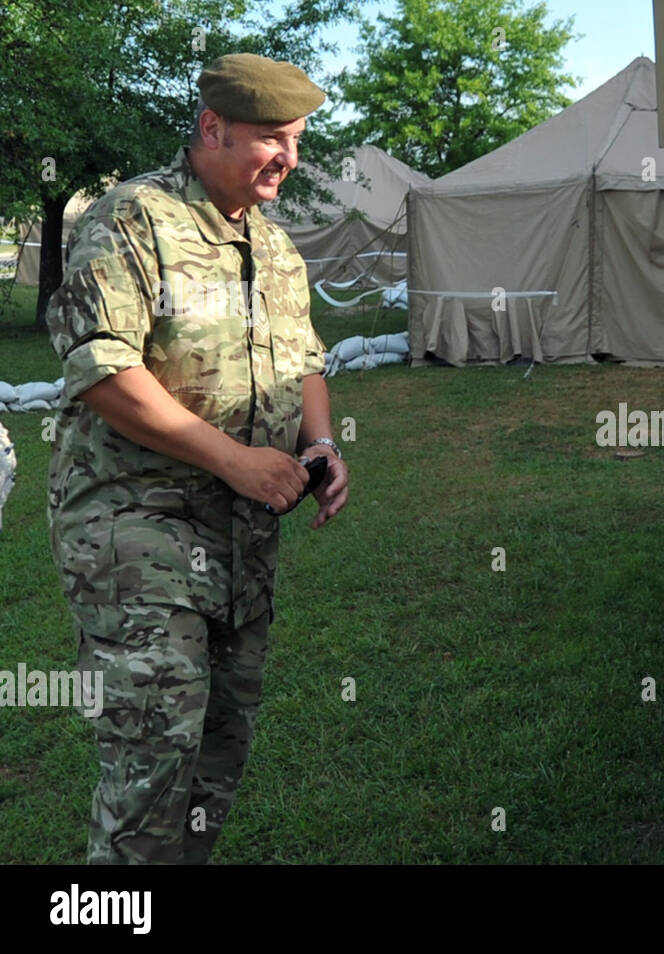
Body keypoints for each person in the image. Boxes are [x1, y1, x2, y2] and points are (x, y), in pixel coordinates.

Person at [45, 52, 349, 864]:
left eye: (297, 141)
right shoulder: (132, 218)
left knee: (218, 759)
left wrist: (319, 443)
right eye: (271, 139)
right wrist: (234, 460)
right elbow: (102, 369)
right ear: (212, 128)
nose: (288, 157)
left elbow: (305, 360)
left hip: (243, 542)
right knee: (153, 762)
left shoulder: (277, 248)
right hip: (137, 532)